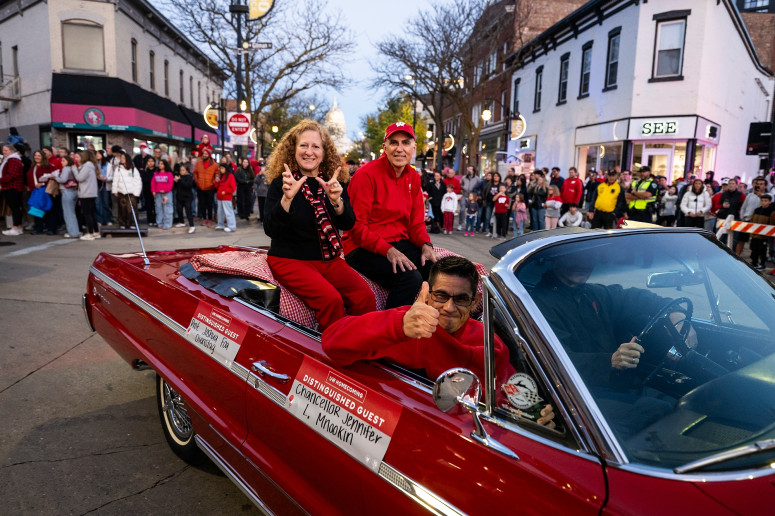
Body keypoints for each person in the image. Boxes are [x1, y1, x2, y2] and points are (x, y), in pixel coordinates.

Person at [322, 256, 556, 427]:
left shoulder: (489, 341)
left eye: (461, 299)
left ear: (475, 303)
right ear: (428, 293)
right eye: (441, 296)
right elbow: (332, 342)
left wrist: (535, 414)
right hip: (400, 423)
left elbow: (507, 389)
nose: (449, 308)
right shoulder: (404, 324)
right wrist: (399, 325)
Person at [529, 252, 691, 437]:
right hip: (577, 393)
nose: (582, 263)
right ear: (556, 259)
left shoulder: (595, 293)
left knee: (683, 400)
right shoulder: (537, 303)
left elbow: (639, 298)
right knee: (656, 409)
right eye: (574, 257)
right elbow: (551, 360)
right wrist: (611, 361)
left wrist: (678, 314)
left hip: (620, 384)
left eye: (588, 257)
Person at [264, 120, 375, 330]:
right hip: (290, 259)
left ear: (324, 153)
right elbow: (271, 229)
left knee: (364, 296)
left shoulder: (334, 183)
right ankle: (334, 354)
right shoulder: (282, 183)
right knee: (331, 300)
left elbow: (349, 223)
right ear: (293, 150)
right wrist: (286, 200)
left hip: (329, 259)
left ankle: (363, 345)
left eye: (316, 146)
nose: (309, 152)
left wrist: (336, 201)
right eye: (303, 145)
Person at [343, 121, 439, 309]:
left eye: (405, 142)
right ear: (384, 147)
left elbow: (416, 223)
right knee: (410, 278)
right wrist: (388, 250)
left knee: (438, 271)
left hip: (398, 241)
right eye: (394, 142)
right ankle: (390, 331)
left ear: (414, 147)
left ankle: (432, 326)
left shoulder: (413, 176)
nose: (399, 149)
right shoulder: (366, 175)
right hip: (361, 248)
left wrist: (426, 245)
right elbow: (356, 228)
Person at [111, 151, 143, 229]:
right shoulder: (118, 169)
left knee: (131, 209)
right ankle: (122, 223)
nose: (122, 159)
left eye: (123, 158)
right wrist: (115, 190)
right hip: (121, 192)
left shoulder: (133, 169)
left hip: (131, 192)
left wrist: (136, 192)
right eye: (121, 158)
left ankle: (133, 223)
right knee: (122, 209)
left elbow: (138, 181)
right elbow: (115, 180)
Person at [73, 150, 100, 240]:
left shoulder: (87, 166)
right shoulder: (90, 165)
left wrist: (74, 170)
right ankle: (96, 232)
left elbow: (80, 178)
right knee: (91, 213)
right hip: (90, 193)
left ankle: (90, 233)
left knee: (87, 214)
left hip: (86, 193)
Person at [0, 143, 26, 236]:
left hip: (13, 187)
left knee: (15, 208)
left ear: (11, 151)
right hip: (10, 186)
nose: (4, 152)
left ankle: (16, 227)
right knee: (15, 207)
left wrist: (1, 181)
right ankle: (18, 226)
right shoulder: (10, 159)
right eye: (3, 150)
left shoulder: (13, 160)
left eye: (6, 150)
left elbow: (12, 174)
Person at [52, 155, 81, 238]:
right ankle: (75, 231)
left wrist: (56, 177)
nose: (62, 162)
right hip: (74, 191)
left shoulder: (66, 169)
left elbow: (63, 180)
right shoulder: (73, 168)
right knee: (72, 212)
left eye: (63, 160)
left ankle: (72, 232)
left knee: (68, 213)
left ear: (68, 161)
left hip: (67, 191)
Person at [750, 194, 774, 271]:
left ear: (770, 202)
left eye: (765, 201)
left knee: (762, 251)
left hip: (763, 236)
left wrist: (768, 235)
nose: (763, 202)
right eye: (762, 200)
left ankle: (762, 265)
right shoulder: (756, 210)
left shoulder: (772, 212)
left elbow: (771, 224)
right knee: (754, 249)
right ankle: (754, 263)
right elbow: (752, 221)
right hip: (755, 235)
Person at [193, 147, 217, 226]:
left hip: (210, 188)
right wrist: (197, 181)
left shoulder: (214, 165)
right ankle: (204, 218)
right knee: (202, 204)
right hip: (200, 187)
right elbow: (195, 173)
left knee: (209, 204)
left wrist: (213, 183)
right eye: (203, 153)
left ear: (209, 155)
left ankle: (209, 219)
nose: (204, 155)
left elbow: (217, 175)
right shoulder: (199, 163)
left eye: (206, 154)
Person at [213, 163, 237, 232]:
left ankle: (232, 226)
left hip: (226, 197)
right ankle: (220, 224)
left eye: (222, 168)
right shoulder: (221, 176)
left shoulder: (230, 176)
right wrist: (216, 182)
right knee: (220, 212)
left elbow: (233, 187)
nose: (221, 170)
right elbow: (217, 187)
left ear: (226, 169)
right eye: (220, 168)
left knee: (228, 212)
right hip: (220, 197)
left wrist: (226, 191)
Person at [151, 159, 174, 230]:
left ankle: (167, 224)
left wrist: (165, 190)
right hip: (158, 194)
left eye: (162, 164)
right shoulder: (156, 173)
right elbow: (153, 183)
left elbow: (170, 184)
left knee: (167, 209)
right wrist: (153, 191)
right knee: (158, 209)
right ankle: (159, 223)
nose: (160, 165)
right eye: (159, 164)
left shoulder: (169, 174)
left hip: (167, 193)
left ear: (165, 165)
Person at [174, 163, 196, 233]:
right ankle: (181, 222)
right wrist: (175, 181)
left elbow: (188, 186)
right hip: (179, 197)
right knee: (179, 209)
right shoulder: (179, 176)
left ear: (186, 171)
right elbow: (175, 187)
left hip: (187, 197)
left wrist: (180, 180)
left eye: (183, 170)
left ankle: (192, 226)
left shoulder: (189, 177)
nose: (181, 171)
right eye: (180, 170)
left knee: (188, 211)